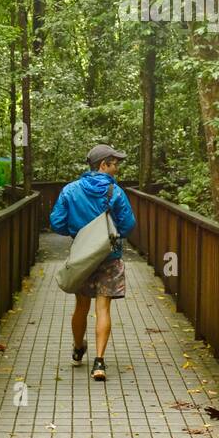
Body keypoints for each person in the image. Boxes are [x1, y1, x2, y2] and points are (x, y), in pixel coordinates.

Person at [50, 145, 136, 381]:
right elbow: (128, 225)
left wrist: (78, 233)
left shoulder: (70, 190)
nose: (117, 167)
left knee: (81, 306)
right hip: (109, 256)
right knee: (103, 309)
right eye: (114, 163)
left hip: (82, 258)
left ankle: (79, 348)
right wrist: (110, 230)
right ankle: (99, 362)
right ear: (102, 165)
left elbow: (56, 222)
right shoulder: (115, 192)